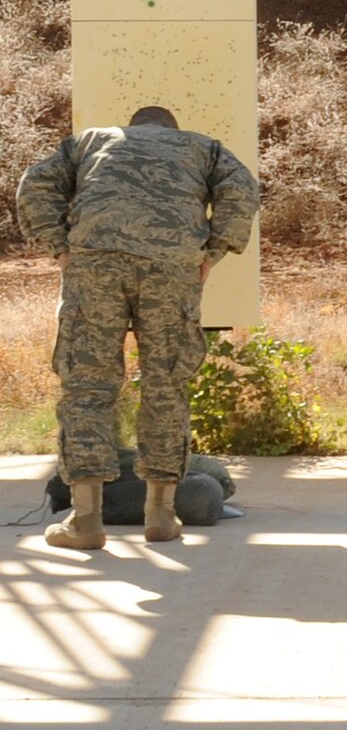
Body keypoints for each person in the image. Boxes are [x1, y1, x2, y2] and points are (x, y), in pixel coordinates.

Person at [16, 106, 260, 550]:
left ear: (132, 126)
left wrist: (60, 248)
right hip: (172, 268)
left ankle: (86, 521)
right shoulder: (204, 147)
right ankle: (162, 516)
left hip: (96, 264)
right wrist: (214, 251)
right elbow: (241, 190)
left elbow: (35, 184)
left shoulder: (89, 142)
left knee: (87, 387)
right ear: (172, 130)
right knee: (167, 386)